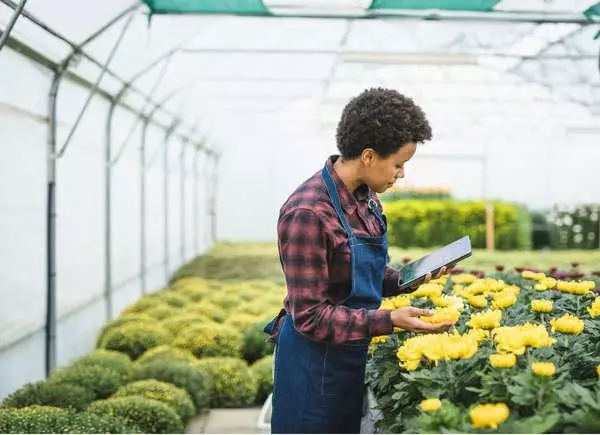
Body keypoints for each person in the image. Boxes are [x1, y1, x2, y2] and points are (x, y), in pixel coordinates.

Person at [263, 87, 456, 434]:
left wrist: (413, 277)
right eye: (398, 164)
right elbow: (310, 316)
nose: (401, 174)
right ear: (368, 156)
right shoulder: (309, 212)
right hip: (312, 365)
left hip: (346, 356)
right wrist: (390, 319)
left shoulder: (365, 199)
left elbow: (365, 277)